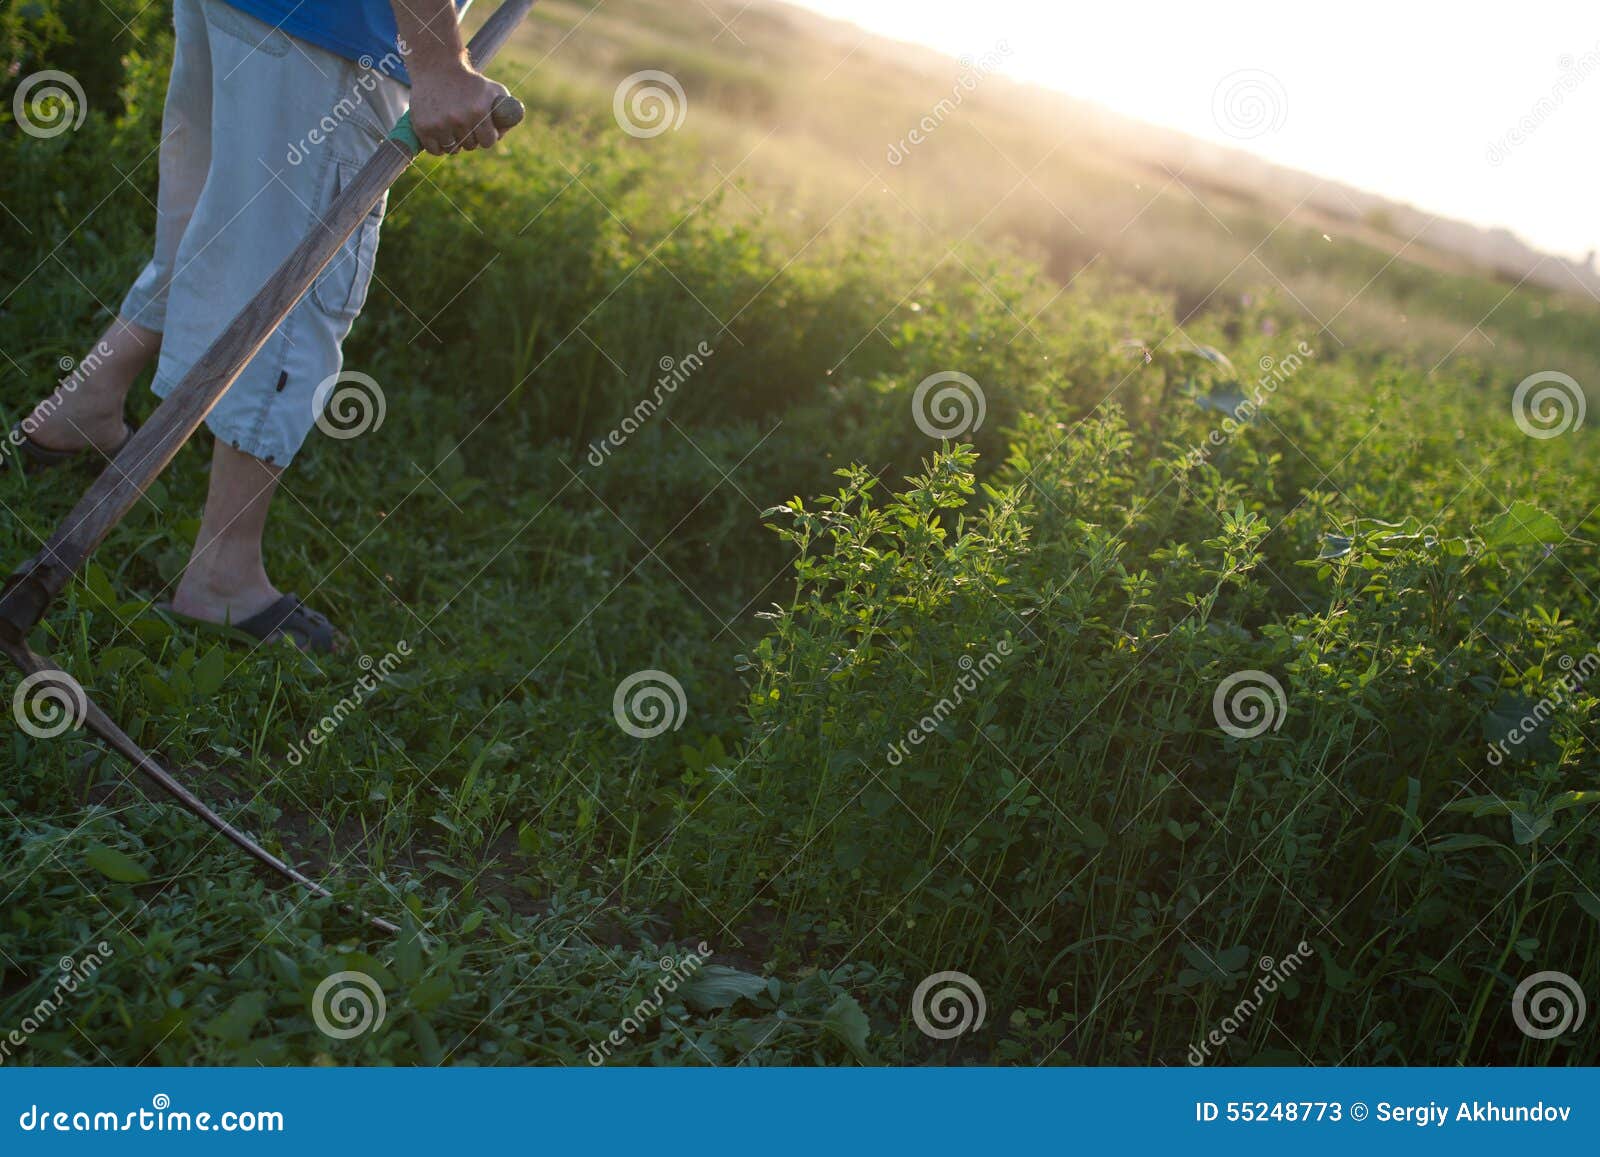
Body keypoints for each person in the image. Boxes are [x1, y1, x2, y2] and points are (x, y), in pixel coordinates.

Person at [5, 0, 508, 652]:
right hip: (336, 31)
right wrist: (439, 58)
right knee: (293, 287)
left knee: (209, 228)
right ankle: (223, 574)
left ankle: (84, 408)